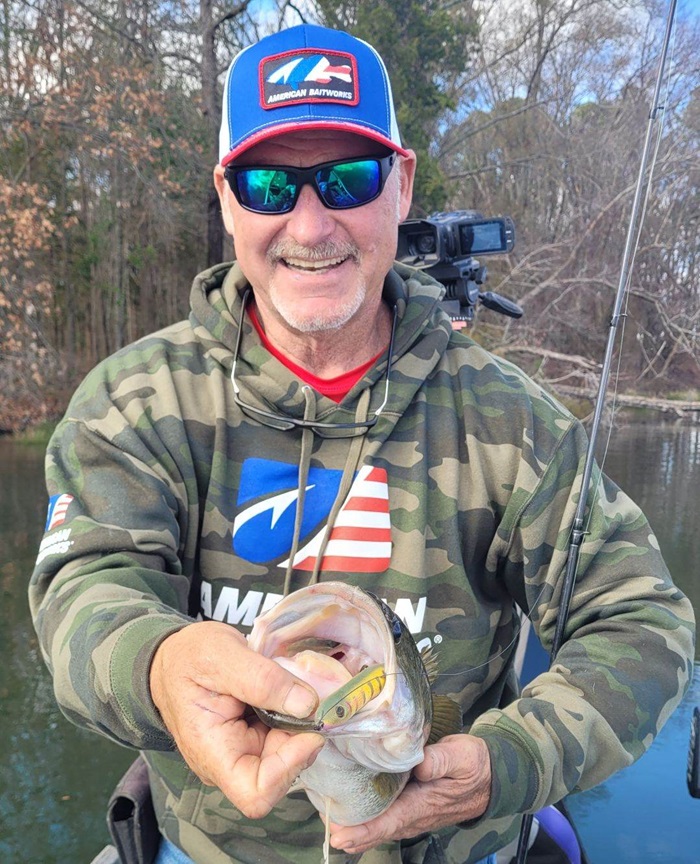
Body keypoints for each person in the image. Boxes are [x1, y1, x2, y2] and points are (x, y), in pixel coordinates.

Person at [29, 22, 694, 864]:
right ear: (228, 198)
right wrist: (157, 663)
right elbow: (83, 590)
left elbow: (642, 621)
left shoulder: (511, 420)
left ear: (401, 185)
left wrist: (515, 759)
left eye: (347, 179)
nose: (311, 226)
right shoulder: (132, 403)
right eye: (270, 185)